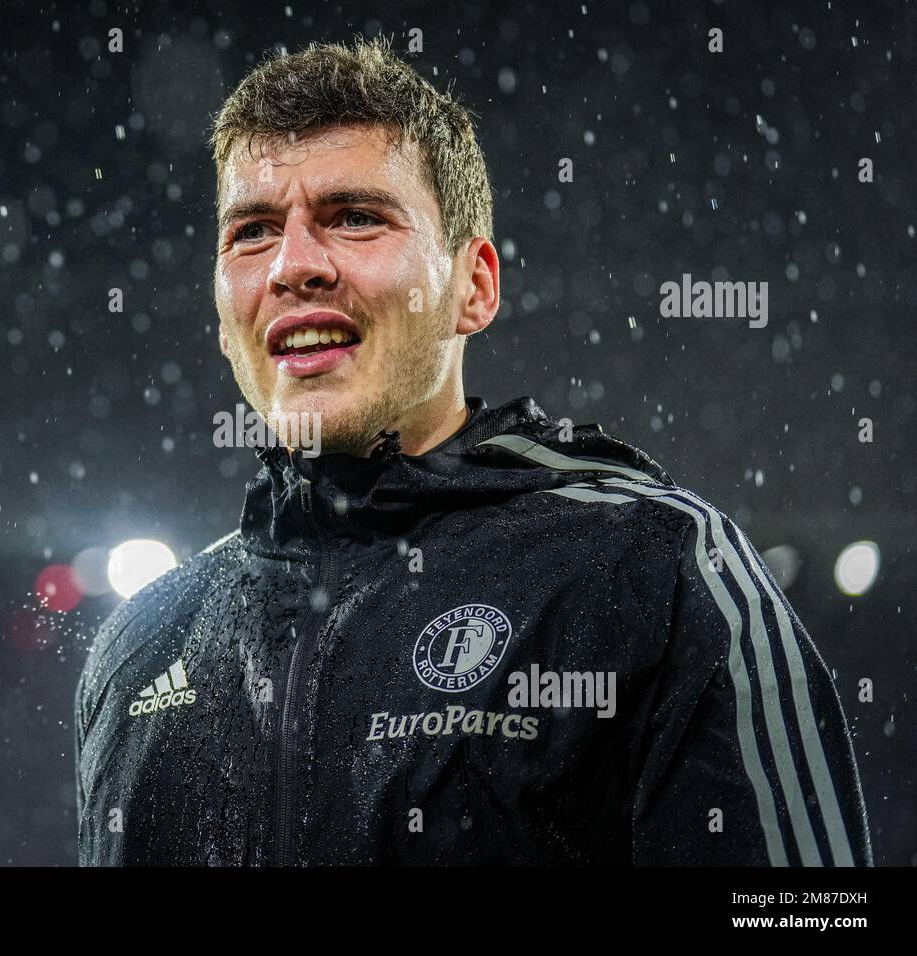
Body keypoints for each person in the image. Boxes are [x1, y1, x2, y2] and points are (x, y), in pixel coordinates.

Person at [75, 36, 871, 865]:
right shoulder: (142, 643)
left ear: (474, 286)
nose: (294, 265)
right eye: (252, 231)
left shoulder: (654, 571)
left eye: (354, 218)